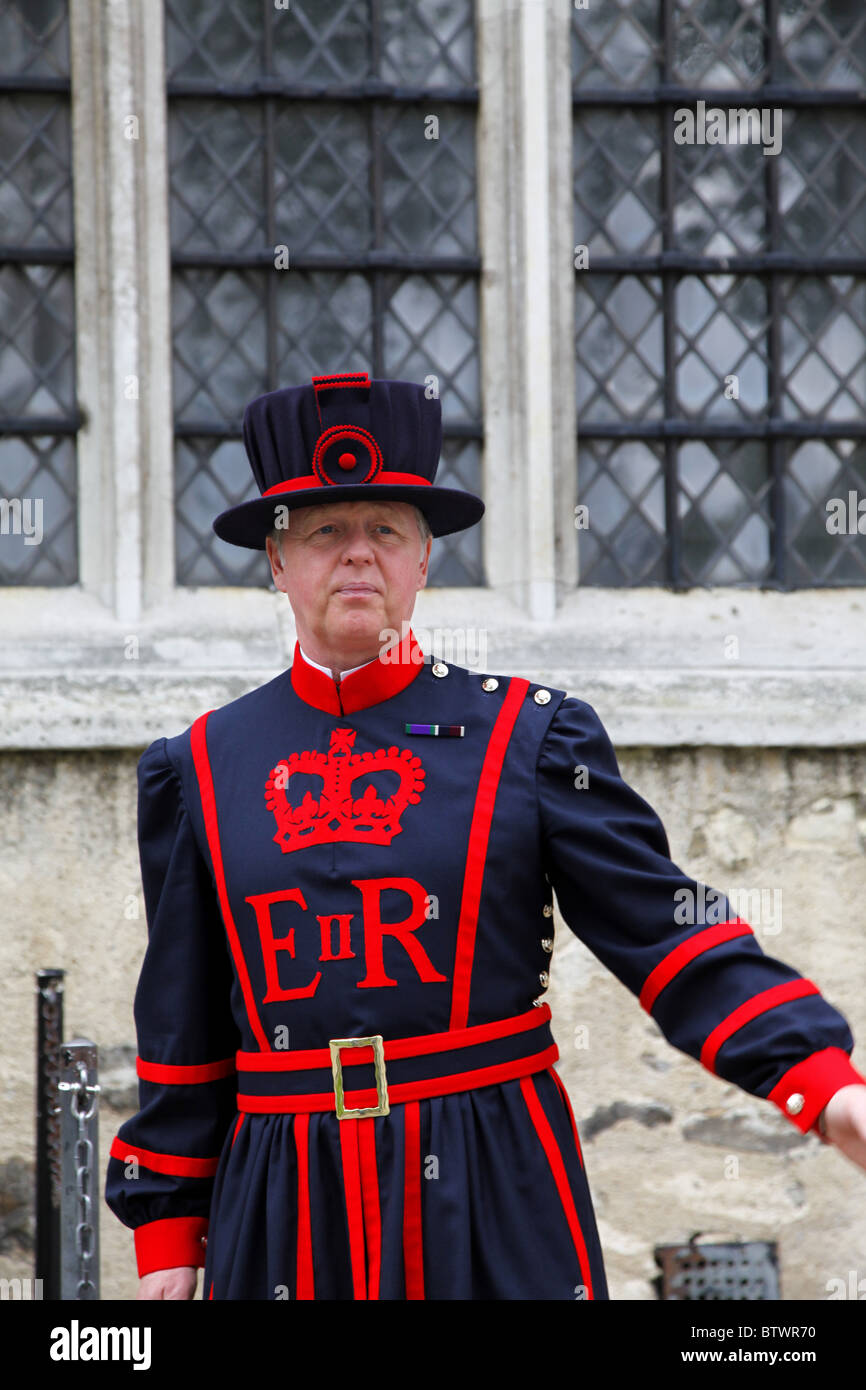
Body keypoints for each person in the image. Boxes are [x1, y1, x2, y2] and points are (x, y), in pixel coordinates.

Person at [105, 371, 866, 1300]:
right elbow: (182, 1023)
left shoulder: (531, 737)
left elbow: (664, 925)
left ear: (424, 559)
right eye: (323, 532)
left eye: (385, 530)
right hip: (282, 1196)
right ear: (277, 562)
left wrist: (819, 1079)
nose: (357, 558)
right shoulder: (200, 767)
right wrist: (169, 1239)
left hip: (489, 1174)